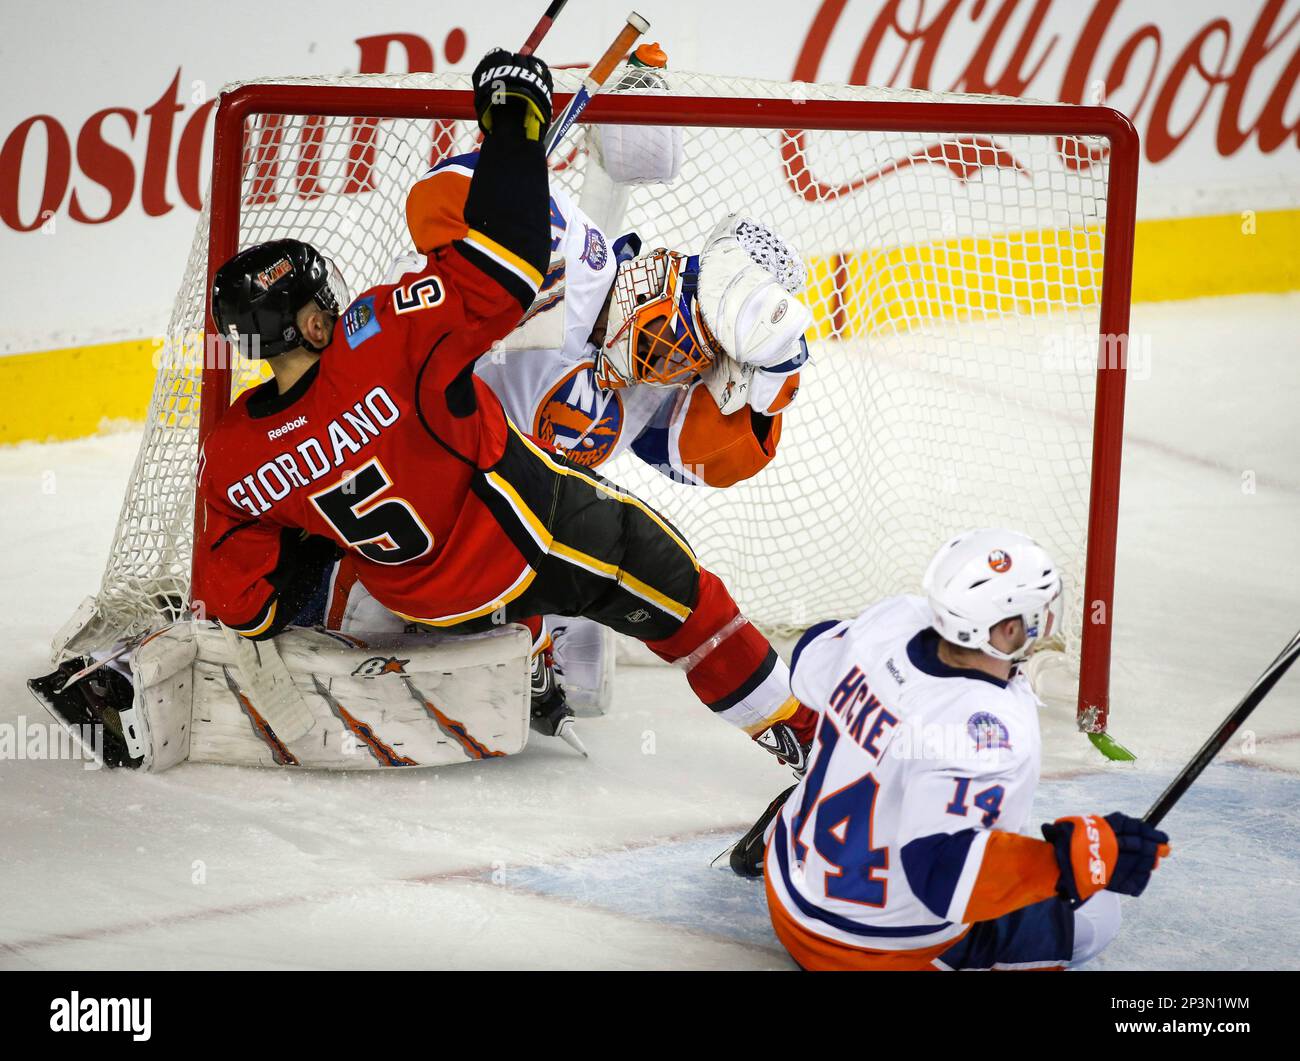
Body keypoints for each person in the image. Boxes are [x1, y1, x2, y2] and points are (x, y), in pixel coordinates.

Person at [193, 47, 802, 755]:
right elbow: (489, 247)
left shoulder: (232, 453)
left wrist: (759, 384)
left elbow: (244, 603)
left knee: (571, 659)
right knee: (677, 589)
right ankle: (796, 729)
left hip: (412, 590)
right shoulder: (385, 338)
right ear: (316, 321)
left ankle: (497, 651)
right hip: (520, 526)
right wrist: (513, 123)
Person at [734, 529, 1170, 970]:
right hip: (866, 953)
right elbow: (943, 877)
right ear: (1007, 629)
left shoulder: (892, 620)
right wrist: (1071, 861)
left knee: (864, 761)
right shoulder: (988, 727)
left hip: (786, 891)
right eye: (1038, 610)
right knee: (1096, 911)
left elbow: (810, 656)